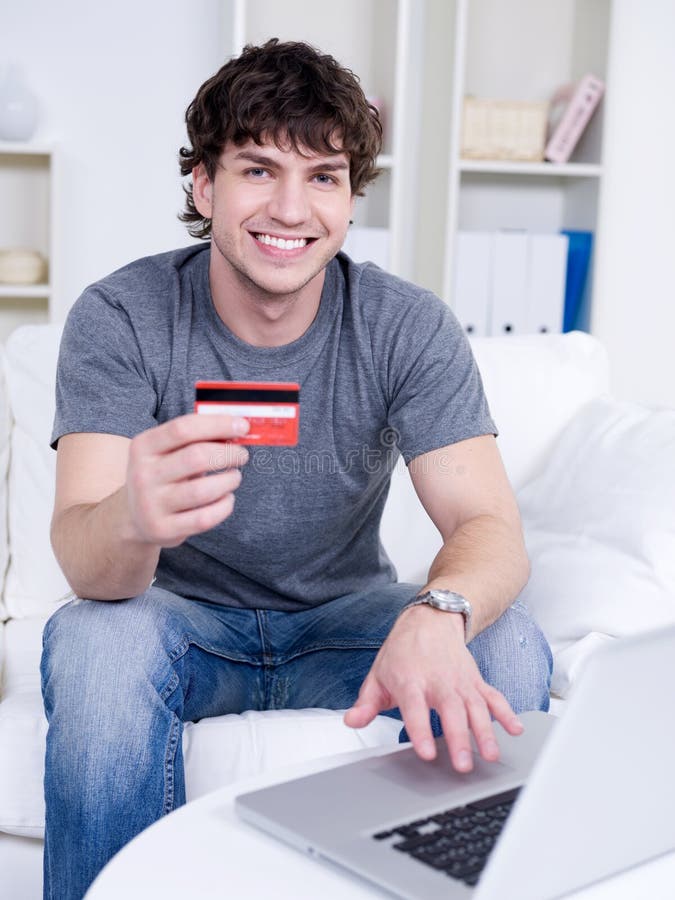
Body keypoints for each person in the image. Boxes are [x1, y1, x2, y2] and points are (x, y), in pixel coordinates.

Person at [42, 38, 552, 899]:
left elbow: (487, 527)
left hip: (343, 625)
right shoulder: (122, 315)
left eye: (322, 176)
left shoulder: (404, 326)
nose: (290, 207)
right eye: (257, 169)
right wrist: (131, 517)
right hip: (180, 623)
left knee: (502, 637)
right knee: (96, 641)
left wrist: (441, 609)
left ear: (351, 198)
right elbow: (87, 564)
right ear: (204, 186)